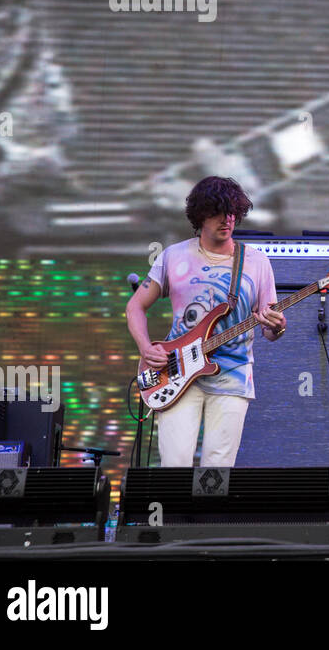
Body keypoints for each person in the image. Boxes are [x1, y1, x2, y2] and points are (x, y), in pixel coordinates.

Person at [125, 176, 285, 466]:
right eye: (217, 212)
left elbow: (269, 329)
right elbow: (135, 306)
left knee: (217, 472)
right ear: (200, 215)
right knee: (174, 465)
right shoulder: (173, 256)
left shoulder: (257, 262)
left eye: (233, 212)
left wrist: (277, 326)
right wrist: (146, 348)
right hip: (176, 372)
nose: (227, 220)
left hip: (233, 375)